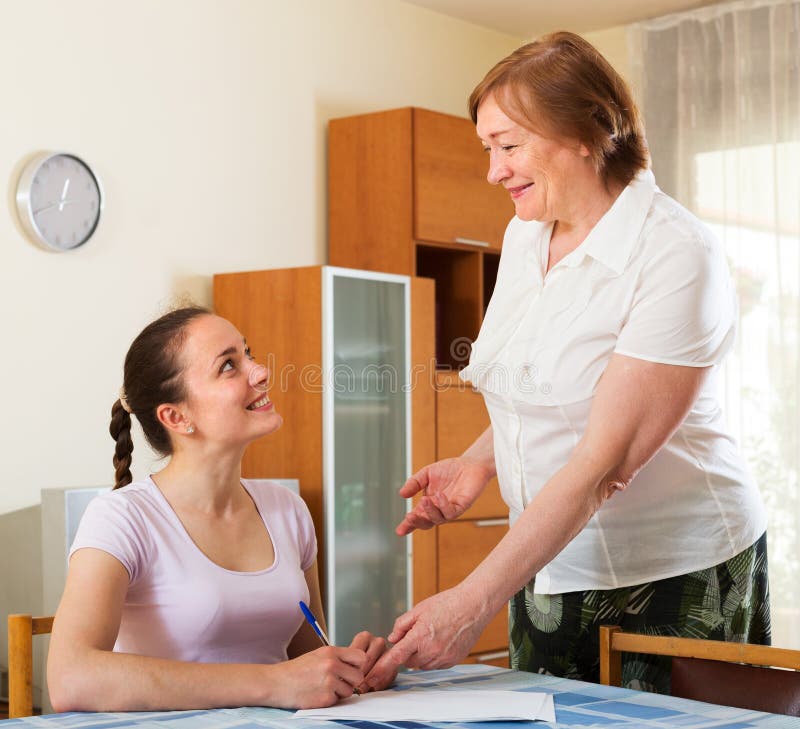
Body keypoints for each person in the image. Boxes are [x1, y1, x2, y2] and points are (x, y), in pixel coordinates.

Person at [367, 31, 770, 693]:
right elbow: (548, 380)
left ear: (586, 132)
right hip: (549, 560)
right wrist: (480, 460)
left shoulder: (674, 253)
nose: (494, 171)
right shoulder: (526, 232)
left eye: (508, 146)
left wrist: (473, 599)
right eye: (487, 149)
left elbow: (605, 460)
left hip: (674, 568)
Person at [48, 306, 394, 712]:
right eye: (229, 365)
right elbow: (70, 678)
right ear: (177, 416)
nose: (261, 371)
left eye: (247, 353)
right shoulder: (121, 519)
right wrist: (272, 683)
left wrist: (350, 668)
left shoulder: (288, 511)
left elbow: (305, 662)